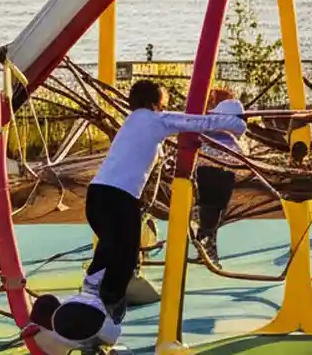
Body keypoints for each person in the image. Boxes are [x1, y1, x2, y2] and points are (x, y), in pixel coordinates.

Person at [85, 79, 247, 329]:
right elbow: (199, 122)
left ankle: (90, 295)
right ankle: (106, 313)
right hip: (118, 198)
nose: (164, 108)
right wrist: (236, 122)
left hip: (97, 196)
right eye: (163, 104)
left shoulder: (131, 122)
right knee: (125, 258)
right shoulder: (155, 120)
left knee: (110, 251)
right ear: (153, 104)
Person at [195, 87, 248, 264]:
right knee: (211, 208)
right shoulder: (212, 126)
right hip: (215, 169)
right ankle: (206, 241)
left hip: (218, 169)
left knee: (212, 209)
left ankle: (207, 241)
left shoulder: (216, 126)